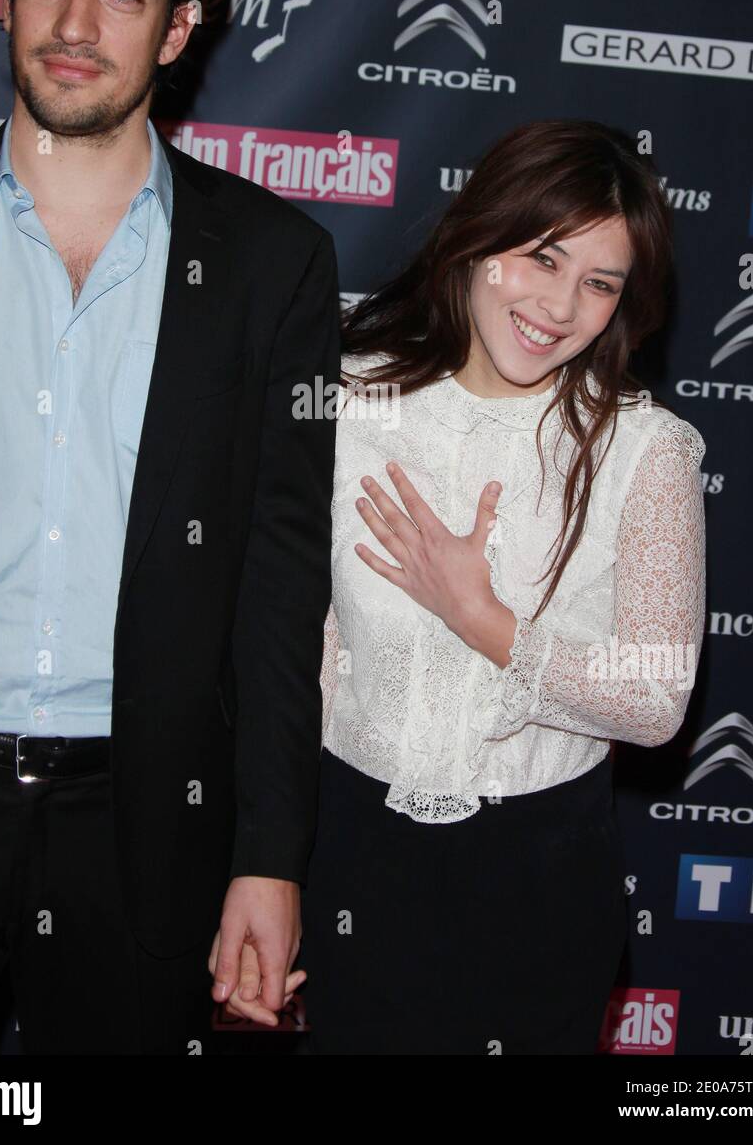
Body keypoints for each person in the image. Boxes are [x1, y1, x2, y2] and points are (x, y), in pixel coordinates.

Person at [0, 0, 340, 1054]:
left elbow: (280, 586)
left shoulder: (270, 266)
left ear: (178, 28)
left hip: (141, 821)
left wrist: (268, 858)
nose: (75, 22)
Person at [300, 119, 707, 1055]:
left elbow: (654, 701)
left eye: (599, 283)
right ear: (478, 238)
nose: (561, 306)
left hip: (539, 875)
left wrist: (483, 619)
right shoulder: (345, 403)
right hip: (345, 848)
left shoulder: (645, 451)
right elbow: (306, 662)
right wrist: (265, 864)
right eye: (541, 258)